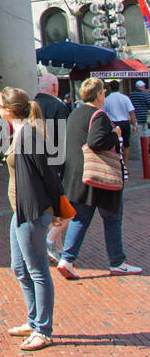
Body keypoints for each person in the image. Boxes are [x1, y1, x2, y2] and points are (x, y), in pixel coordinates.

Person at [0, 87, 64, 351]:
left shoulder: (29, 136)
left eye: (0, 105)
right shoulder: (22, 133)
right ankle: (34, 319)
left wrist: (59, 210)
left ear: (8, 111)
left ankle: (43, 329)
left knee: (37, 270)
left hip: (31, 210)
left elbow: (49, 175)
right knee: (19, 267)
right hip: (20, 210)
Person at [55, 78, 141, 278]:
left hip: (77, 178)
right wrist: (115, 132)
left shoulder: (75, 113)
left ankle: (67, 259)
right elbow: (96, 142)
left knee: (80, 218)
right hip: (99, 178)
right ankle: (117, 261)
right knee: (112, 217)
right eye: (103, 92)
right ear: (99, 95)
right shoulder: (99, 115)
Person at [33, 74, 70, 158]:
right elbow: (63, 135)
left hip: (33, 158)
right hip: (53, 158)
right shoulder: (58, 106)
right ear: (54, 87)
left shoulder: (29, 105)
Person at [103, 82, 136, 158]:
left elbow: (102, 112)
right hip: (125, 123)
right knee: (126, 144)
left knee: (115, 144)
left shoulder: (107, 99)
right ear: (119, 87)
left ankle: (118, 163)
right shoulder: (125, 98)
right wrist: (134, 125)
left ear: (110, 88)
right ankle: (126, 165)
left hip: (113, 124)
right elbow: (131, 112)